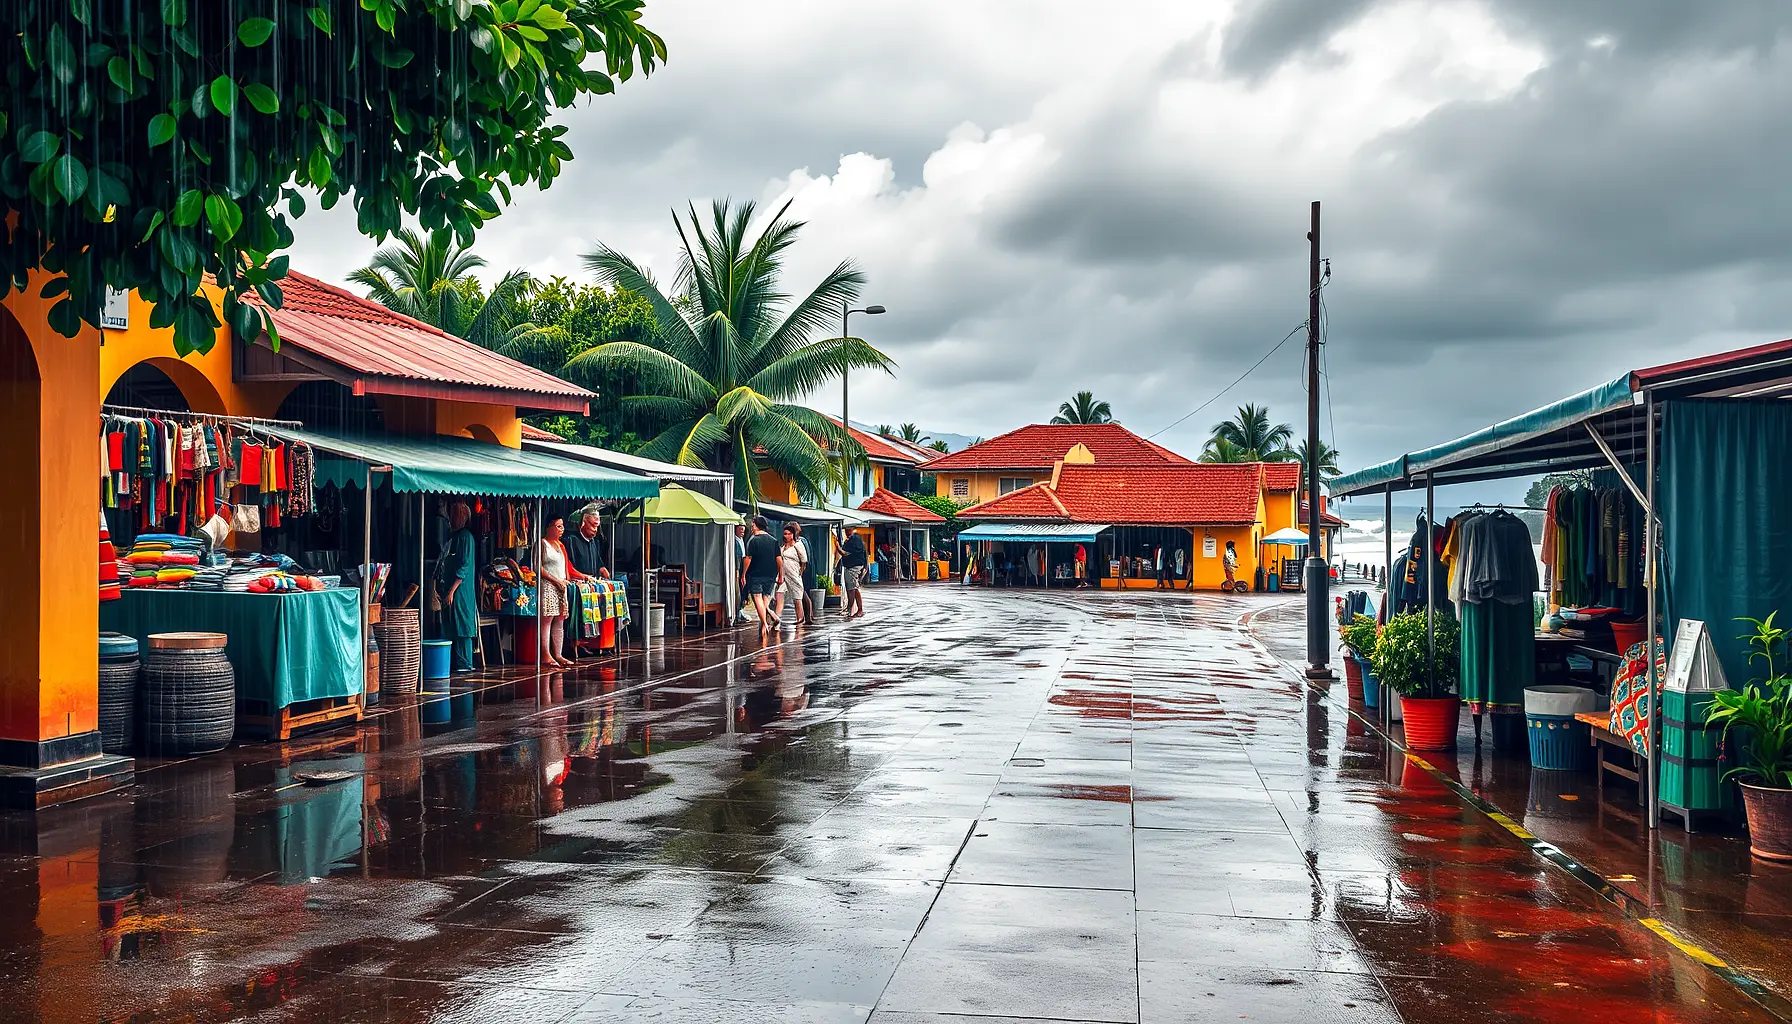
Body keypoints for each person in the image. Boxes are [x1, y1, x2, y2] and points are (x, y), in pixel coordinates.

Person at [536, 516, 585, 667]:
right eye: (558, 526)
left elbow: (567, 567)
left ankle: (558, 654)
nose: (561, 529)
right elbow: (538, 567)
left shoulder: (561, 545)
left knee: (560, 620)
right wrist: (555, 580)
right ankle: (545, 654)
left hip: (562, 586)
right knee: (547, 621)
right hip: (548, 585)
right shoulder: (542, 544)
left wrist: (570, 580)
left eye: (562, 526)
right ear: (549, 527)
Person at [436, 502, 480, 673]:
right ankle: (452, 662)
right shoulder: (453, 537)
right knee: (450, 624)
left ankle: (464, 663)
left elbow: (465, 565)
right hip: (449, 587)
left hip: (460, 590)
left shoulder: (465, 537)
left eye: (455, 515)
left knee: (462, 624)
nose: (452, 519)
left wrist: (453, 590)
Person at [741, 515, 781, 635]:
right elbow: (779, 559)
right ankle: (770, 618)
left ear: (756, 525)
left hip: (756, 574)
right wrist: (781, 574)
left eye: (752, 525)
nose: (752, 527)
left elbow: (748, 558)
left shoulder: (753, 540)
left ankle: (764, 623)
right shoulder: (773, 541)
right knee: (765, 600)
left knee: (757, 598)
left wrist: (743, 574)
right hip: (771, 574)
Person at [771, 523, 808, 627]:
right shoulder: (783, 547)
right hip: (783, 573)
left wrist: (801, 571)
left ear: (792, 535)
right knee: (779, 593)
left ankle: (800, 617)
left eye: (788, 534)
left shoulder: (798, 545)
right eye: (785, 534)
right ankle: (777, 617)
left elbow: (804, 560)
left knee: (797, 596)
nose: (786, 536)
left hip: (793, 572)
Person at [564, 503, 611, 581]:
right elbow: (568, 566)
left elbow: (599, 563)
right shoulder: (572, 541)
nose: (595, 529)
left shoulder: (595, 543)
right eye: (593, 525)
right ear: (583, 524)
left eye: (597, 527)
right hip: (577, 583)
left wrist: (602, 569)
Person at [841, 528, 868, 616]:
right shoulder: (852, 540)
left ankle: (852, 609)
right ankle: (856, 609)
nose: (845, 532)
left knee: (852, 588)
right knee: (853, 588)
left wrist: (837, 546)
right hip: (853, 566)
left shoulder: (855, 540)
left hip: (854, 567)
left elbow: (845, 553)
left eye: (847, 530)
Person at [793, 529, 816, 623]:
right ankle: (808, 616)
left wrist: (801, 571)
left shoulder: (800, 542)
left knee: (803, 593)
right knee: (803, 593)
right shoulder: (803, 540)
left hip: (801, 571)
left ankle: (807, 617)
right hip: (803, 571)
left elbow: (804, 559)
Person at [732, 523, 751, 625]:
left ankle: (740, 610)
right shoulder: (735, 541)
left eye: (743, 530)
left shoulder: (741, 540)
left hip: (743, 568)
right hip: (738, 568)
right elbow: (738, 557)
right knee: (739, 590)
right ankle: (738, 611)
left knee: (743, 590)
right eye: (740, 530)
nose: (742, 532)